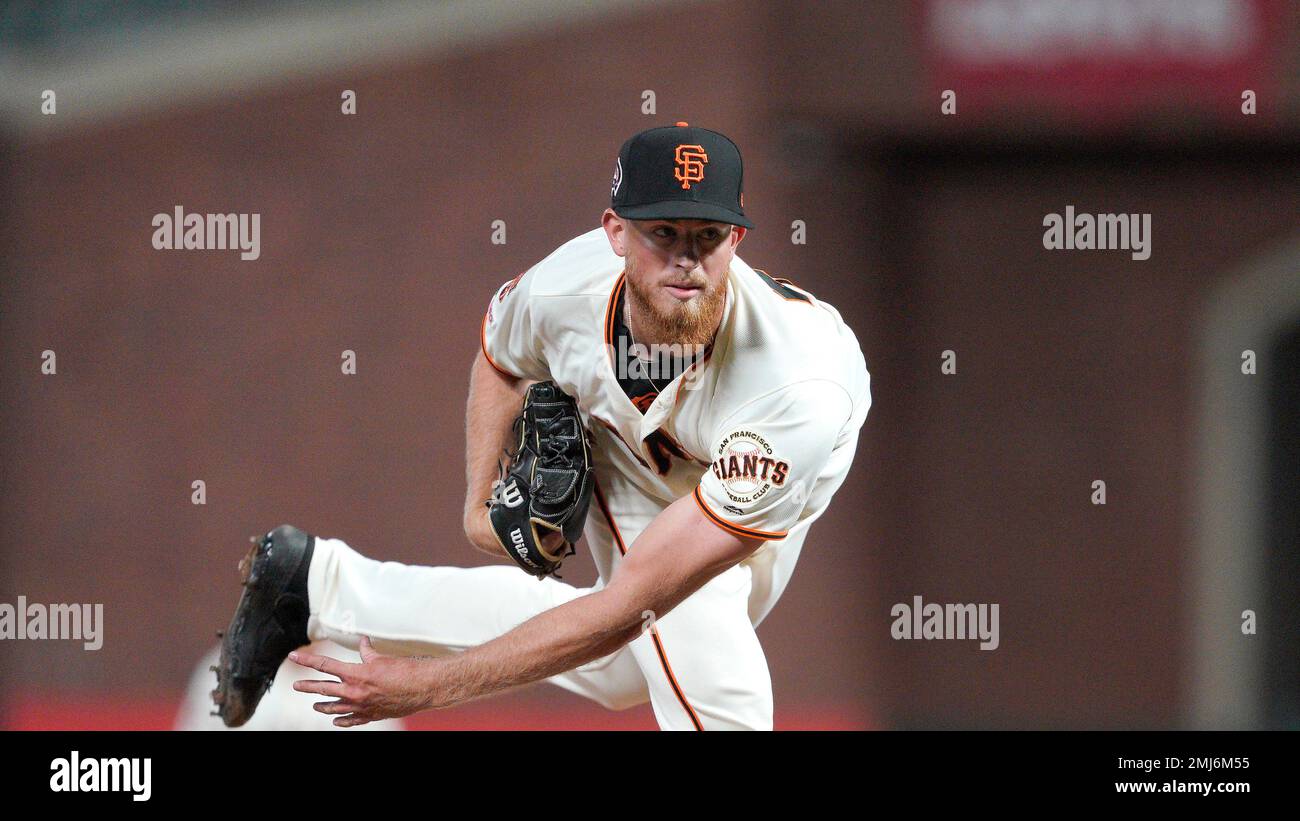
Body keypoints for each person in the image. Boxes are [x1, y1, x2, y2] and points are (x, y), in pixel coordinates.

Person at [213, 122, 871, 730]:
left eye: (707, 235)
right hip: (632, 453)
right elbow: (501, 359)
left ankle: (314, 583)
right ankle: (313, 581)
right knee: (709, 658)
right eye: (662, 233)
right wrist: (477, 508)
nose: (686, 261)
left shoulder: (794, 389)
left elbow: (629, 603)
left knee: (625, 657)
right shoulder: (564, 289)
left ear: (738, 240)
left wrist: (431, 684)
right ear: (615, 232)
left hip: (775, 460)